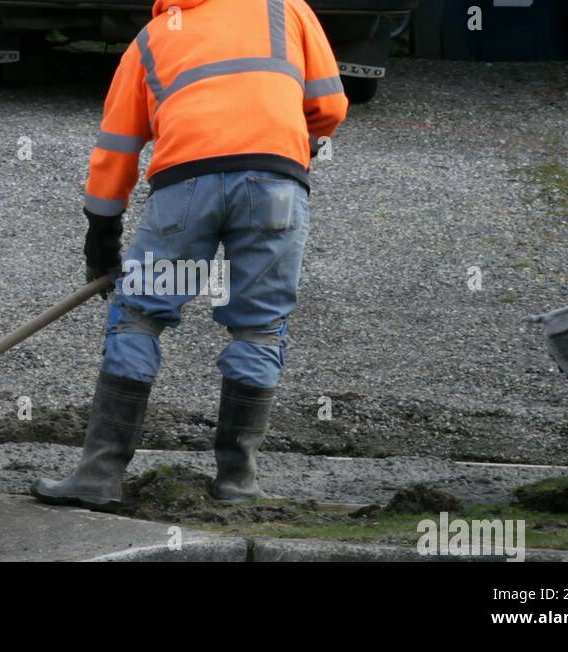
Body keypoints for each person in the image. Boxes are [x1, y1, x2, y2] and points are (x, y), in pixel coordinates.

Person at [32, 0, 347, 511]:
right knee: (259, 327)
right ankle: (238, 482)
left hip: (185, 188)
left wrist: (103, 244)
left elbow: (116, 147)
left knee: (139, 316)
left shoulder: (152, 38)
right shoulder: (284, 8)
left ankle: (98, 475)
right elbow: (330, 105)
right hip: (275, 186)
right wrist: (292, 147)